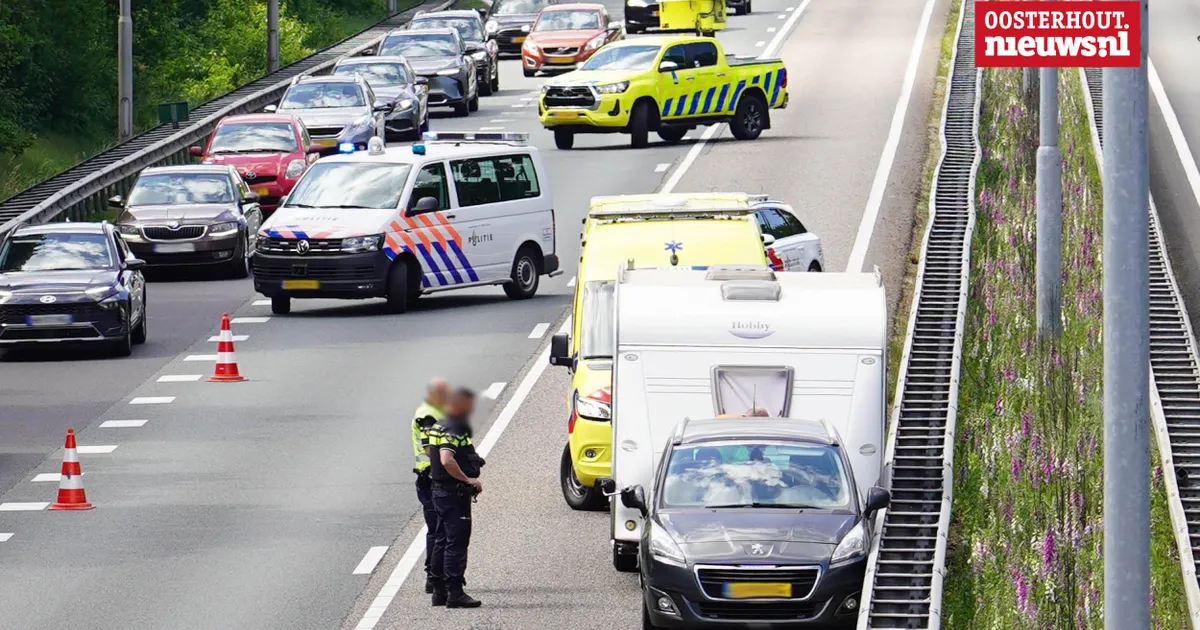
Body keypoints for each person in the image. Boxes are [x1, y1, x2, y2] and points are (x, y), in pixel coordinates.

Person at [427, 387, 485, 608]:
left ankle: (439, 591)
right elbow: (447, 459)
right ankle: (455, 592)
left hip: (439, 491)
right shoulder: (455, 429)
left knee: (441, 539)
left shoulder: (438, 425)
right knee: (456, 542)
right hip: (453, 493)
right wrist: (468, 480)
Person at [411, 377, 449, 594]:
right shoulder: (427, 415)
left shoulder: (434, 411)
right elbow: (429, 449)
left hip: (433, 476)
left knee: (439, 528)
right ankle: (433, 577)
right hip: (431, 477)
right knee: (437, 529)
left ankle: (435, 575)